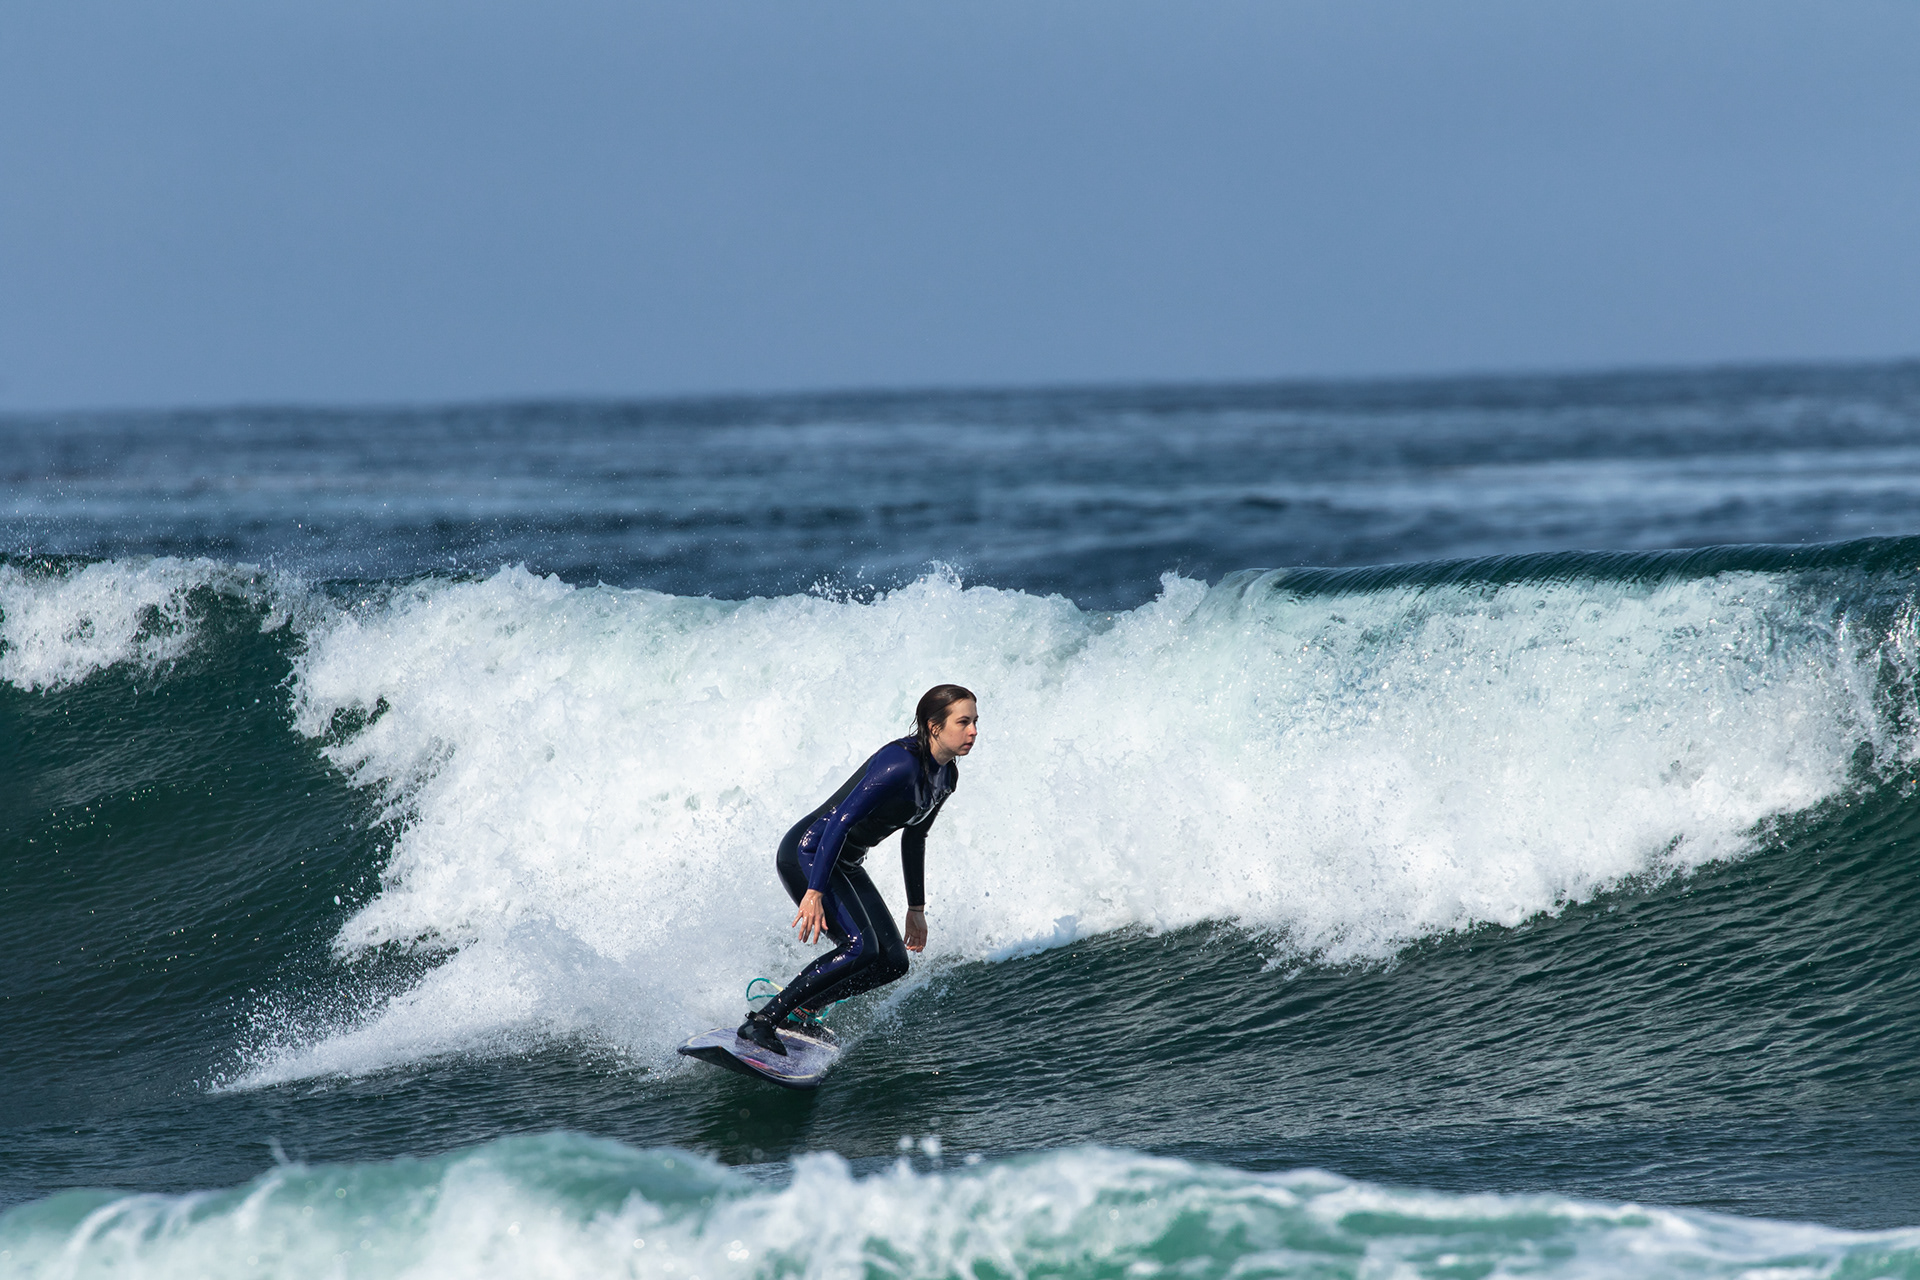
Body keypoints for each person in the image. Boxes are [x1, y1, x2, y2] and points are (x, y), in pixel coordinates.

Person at [737, 684, 978, 1056]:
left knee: (892, 962)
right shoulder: (899, 764)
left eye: (975, 722)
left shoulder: (946, 778)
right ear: (933, 726)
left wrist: (916, 909)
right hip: (810, 852)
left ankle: (800, 1013)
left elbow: (915, 838)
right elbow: (838, 822)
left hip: (844, 862)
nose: (973, 731)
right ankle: (763, 1022)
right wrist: (813, 892)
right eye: (963, 722)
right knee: (860, 947)